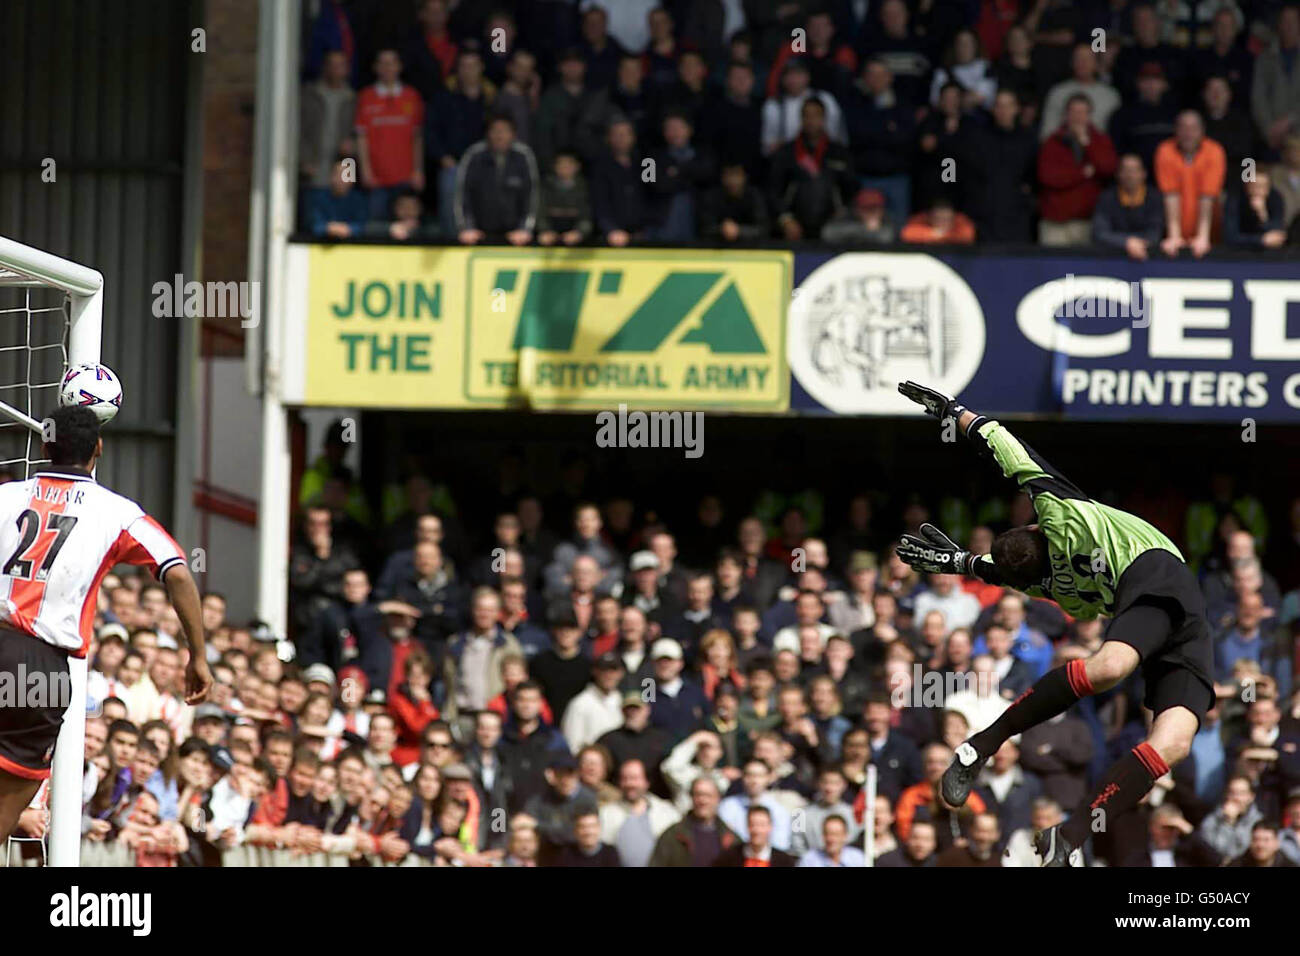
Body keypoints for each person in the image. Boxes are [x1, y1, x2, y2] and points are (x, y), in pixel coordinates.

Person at [896, 381, 1216, 866]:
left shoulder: (1052, 555)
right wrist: (956, 413)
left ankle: (984, 742)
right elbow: (1010, 448)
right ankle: (1066, 838)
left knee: (1125, 686)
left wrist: (963, 561)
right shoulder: (1052, 529)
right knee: (1167, 740)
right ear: (1031, 529)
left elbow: (997, 563)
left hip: (1153, 573)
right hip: (1168, 597)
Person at [0, 407, 211, 844]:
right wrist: (198, 655)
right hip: (37, 667)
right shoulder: (116, 513)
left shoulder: (6, 496)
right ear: (99, 448)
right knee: (8, 803)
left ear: (44, 445)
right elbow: (177, 571)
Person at [1092, 153, 1165, 259]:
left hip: (1148, 256)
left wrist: (1135, 243)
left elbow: (1155, 233)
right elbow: (1099, 233)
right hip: (1112, 257)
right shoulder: (1106, 198)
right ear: (1118, 174)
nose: (1130, 175)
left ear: (1143, 174)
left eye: (1134, 170)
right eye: (1125, 170)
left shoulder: (1154, 198)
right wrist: (1127, 242)